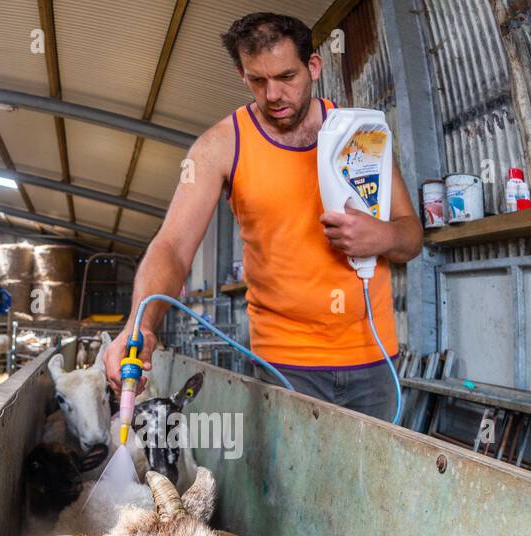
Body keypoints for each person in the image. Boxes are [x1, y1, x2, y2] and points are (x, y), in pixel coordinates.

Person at [103, 11, 424, 420]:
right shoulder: (220, 146)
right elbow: (172, 246)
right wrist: (139, 325)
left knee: (372, 484)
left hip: (373, 358)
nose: (273, 94)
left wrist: (383, 237)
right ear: (243, 75)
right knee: (291, 486)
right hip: (284, 365)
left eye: (286, 77)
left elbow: (411, 235)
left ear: (313, 66)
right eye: (258, 80)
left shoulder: (359, 134)